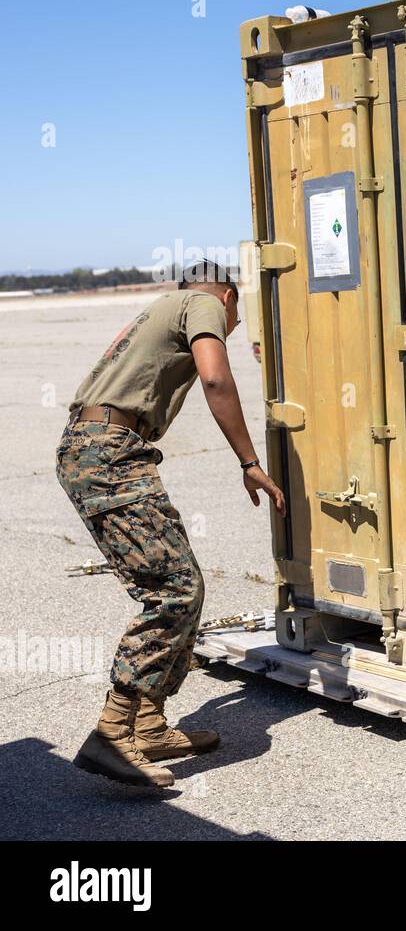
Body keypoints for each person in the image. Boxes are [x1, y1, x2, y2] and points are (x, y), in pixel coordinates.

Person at [56, 260, 285, 787]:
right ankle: (114, 730)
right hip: (108, 455)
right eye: (239, 313)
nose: (236, 325)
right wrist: (250, 462)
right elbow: (214, 375)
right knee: (173, 592)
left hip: (102, 450)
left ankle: (150, 723)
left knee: (185, 587)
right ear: (228, 297)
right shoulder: (202, 303)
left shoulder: (157, 311)